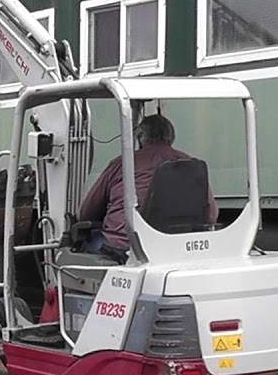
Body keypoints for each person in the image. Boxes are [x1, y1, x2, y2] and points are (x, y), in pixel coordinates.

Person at [76, 113, 218, 263]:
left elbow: (87, 212)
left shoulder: (121, 164)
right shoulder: (192, 165)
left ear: (140, 138)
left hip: (124, 248)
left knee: (76, 250)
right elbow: (211, 215)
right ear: (171, 138)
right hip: (177, 247)